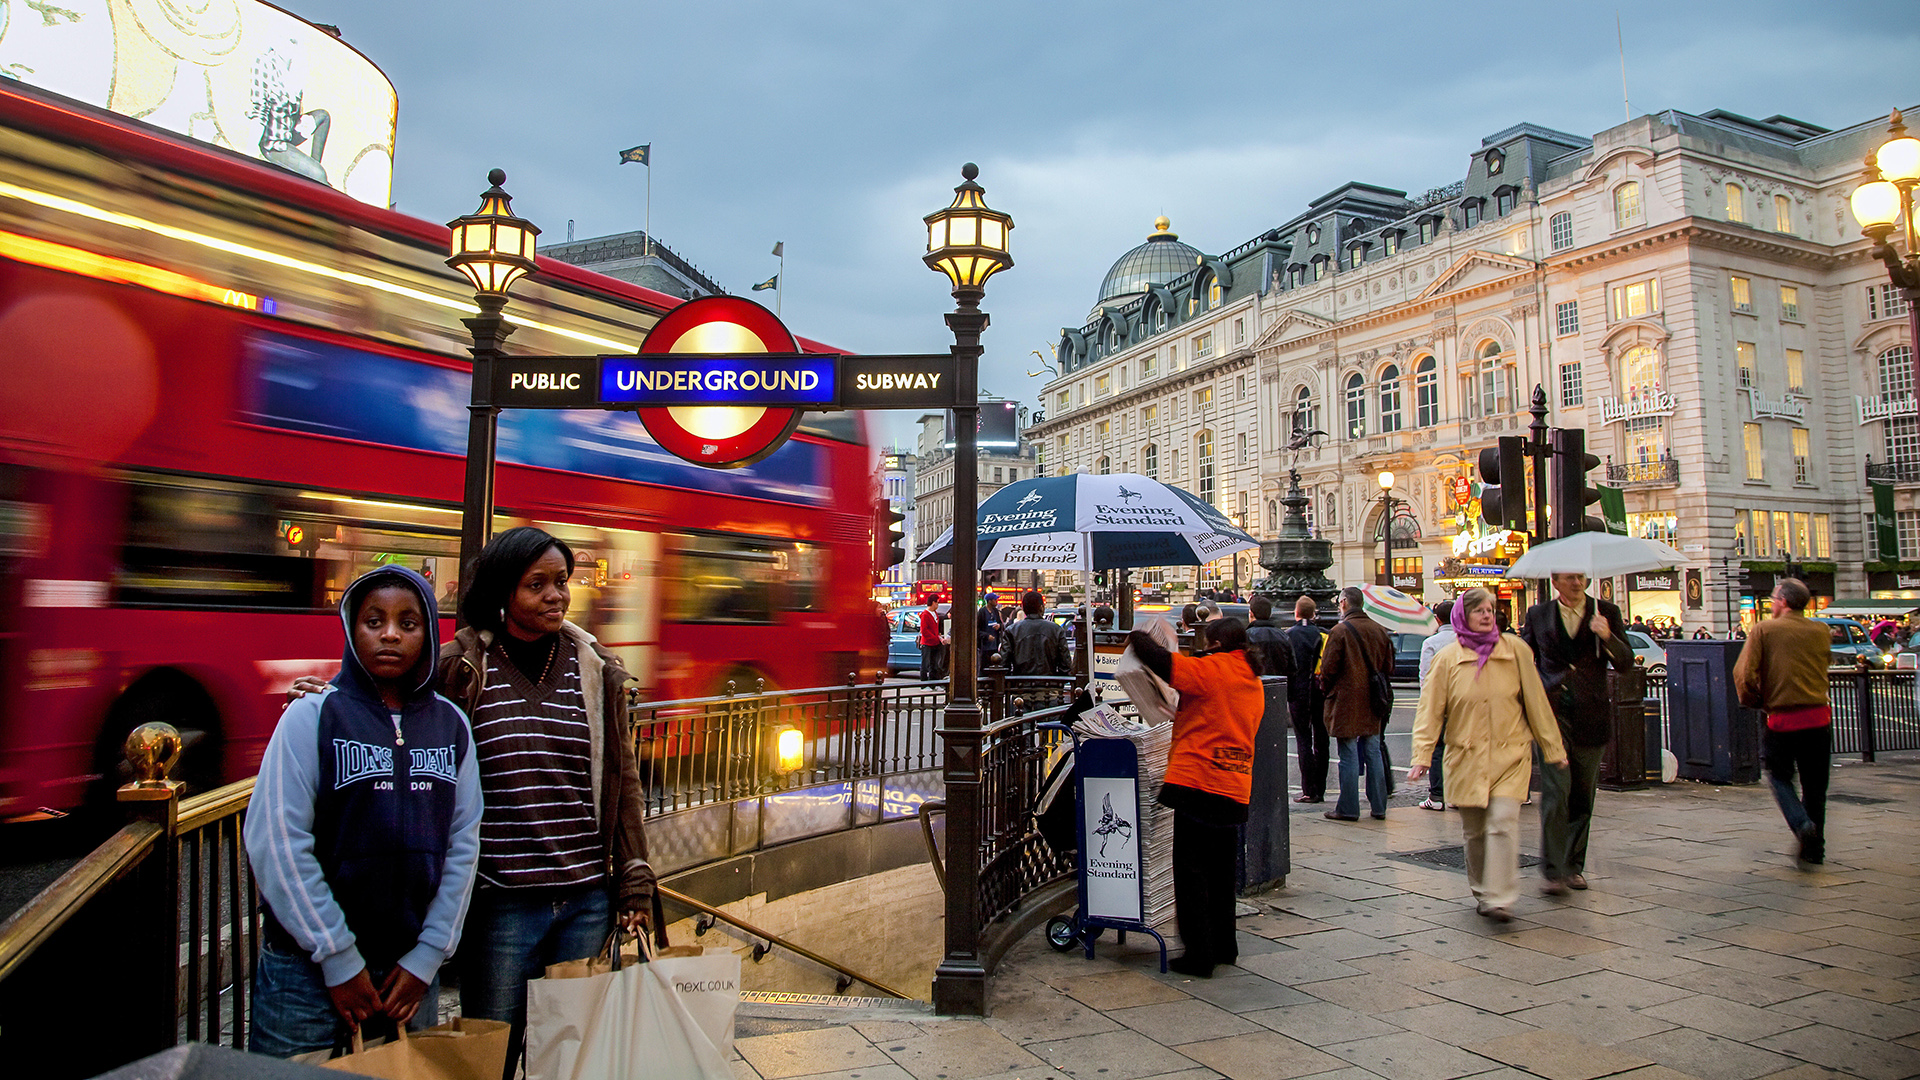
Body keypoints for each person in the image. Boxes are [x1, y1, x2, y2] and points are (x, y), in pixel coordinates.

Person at [248, 566, 482, 1058]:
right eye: (374, 621)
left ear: (428, 633)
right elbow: (279, 841)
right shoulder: (311, 718)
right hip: (305, 976)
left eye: (409, 622)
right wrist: (337, 956)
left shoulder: (452, 726)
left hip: (408, 976)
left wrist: (428, 957)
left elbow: (462, 844)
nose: (391, 633)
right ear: (353, 629)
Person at [1409, 588, 1568, 922]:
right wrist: (1422, 755)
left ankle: (1500, 898)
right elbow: (1430, 711)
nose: (1486, 615)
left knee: (1502, 823)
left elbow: (1536, 702)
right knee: (1476, 833)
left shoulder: (1516, 652)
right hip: (1466, 758)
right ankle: (1483, 892)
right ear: (1463, 616)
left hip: (1510, 755)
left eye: (1490, 609)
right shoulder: (1448, 659)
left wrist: (1553, 748)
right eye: (1478, 610)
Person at [1125, 617, 1264, 978]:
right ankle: (1223, 946)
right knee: (1222, 873)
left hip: (1199, 780)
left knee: (1191, 873)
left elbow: (1161, 662)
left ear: (1216, 643)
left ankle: (1199, 954)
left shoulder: (1214, 669)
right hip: (1234, 784)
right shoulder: (1250, 677)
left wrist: (1143, 635)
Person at [1518, 573, 1632, 895]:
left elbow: (1625, 663)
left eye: (1581, 577)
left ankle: (1573, 867)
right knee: (1556, 791)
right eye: (1570, 578)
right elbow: (1526, 659)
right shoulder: (1538, 615)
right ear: (1555, 582)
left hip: (1591, 714)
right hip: (1552, 714)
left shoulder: (1605, 612)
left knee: (1583, 794)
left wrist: (1608, 636)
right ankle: (1553, 870)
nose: (1577, 583)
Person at [1733, 578, 1833, 865]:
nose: (1773, 603)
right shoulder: (1821, 630)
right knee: (1815, 786)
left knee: (1779, 776)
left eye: (1775, 598)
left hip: (1783, 719)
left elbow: (1744, 674)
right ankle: (1815, 850)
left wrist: (1757, 701)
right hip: (1818, 717)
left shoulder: (1765, 629)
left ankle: (1802, 824)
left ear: (1783, 602)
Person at [1319, 586, 1394, 821]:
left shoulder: (1339, 632)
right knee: (1373, 751)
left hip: (1346, 700)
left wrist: (1324, 686)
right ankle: (1379, 806)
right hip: (1373, 700)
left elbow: (1328, 668)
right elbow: (1389, 666)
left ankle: (1349, 807)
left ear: (1343, 603)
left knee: (1348, 754)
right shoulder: (1380, 630)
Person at [1282, 596, 1329, 803]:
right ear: (1313, 613)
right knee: (1322, 739)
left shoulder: (1290, 635)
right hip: (1320, 691)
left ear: (1297, 612)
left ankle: (1308, 789)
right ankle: (1320, 788)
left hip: (1299, 692)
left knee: (1303, 740)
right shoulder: (1324, 634)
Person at [1415, 600, 1458, 811]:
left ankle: (1437, 795)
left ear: (1437, 619)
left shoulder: (1431, 643)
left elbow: (1425, 678)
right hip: (1462, 700)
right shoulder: (1465, 640)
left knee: (1438, 748)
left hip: (1440, 701)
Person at [1006, 590, 1070, 676]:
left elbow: (1004, 663)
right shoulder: (1056, 630)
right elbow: (1065, 663)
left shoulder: (1012, 630)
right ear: (1041, 608)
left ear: (1024, 609)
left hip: (1020, 684)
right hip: (1049, 684)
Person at [1244, 596, 1289, 677]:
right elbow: (1292, 667)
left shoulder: (1246, 636)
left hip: (1254, 685)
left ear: (1251, 614)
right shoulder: (1283, 636)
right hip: (1279, 685)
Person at [918, 599, 947, 680]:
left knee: (934, 664)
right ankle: (924, 684)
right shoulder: (925, 614)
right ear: (933, 603)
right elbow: (924, 630)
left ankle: (932, 683)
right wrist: (935, 637)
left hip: (935, 643)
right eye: (937, 602)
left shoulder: (935, 613)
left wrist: (938, 636)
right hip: (927, 643)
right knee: (925, 664)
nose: (938, 605)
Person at [977, 604, 1003, 669]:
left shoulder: (995, 611)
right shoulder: (982, 612)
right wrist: (986, 636)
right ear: (990, 601)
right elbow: (977, 629)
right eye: (994, 600)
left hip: (995, 646)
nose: (996, 602)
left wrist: (999, 626)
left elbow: (1000, 623)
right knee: (984, 666)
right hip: (985, 646)